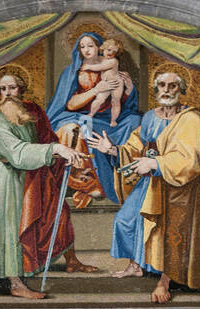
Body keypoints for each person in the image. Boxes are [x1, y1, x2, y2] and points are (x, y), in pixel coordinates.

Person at [0, 67, 98, 299]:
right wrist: (55, 150)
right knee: (11, 229)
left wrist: (63, 154)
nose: (7, 93)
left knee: (58, 212)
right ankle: (15, 283)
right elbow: (16, 152)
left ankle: (72, 261)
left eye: (12, 87)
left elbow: (47, 139)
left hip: (36, 173)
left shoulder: (32, 111)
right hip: (7, 178)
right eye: (3, 89)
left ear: (21, 89)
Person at [87, 70, 200, 304]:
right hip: (151, 182)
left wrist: (156, 163)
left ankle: (164, 280)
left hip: (180, 187)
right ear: (156, 89)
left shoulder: (192, 118)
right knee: (125, 220)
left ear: (181, 90)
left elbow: (191, 159)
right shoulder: (151, 117)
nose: (167, 90)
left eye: (173, 86)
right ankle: (136, 265)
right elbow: (134, 146)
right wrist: (112, 149)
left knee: (169, 231)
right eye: (162, 85)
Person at [46, 31, 141, 208]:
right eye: (82, 47)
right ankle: (88, 182)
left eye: (90, 46)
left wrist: (128, 87)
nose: (87, 50)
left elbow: (124, 102)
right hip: (82, 117)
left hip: (109, 118)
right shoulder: (73, 72)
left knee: (135, 121)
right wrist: (96, 90)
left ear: (100, 47)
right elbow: (71, 104)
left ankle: (127, 177)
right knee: (76, 128)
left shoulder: (111, 66)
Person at [82, 39, 133, 127]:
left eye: (114, 52)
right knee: (99, 99)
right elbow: (98, 62)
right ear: (104, 48)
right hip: (106, 83)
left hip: (117, 84)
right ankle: (91, 113)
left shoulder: (113, 61)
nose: (111, 53)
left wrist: (89, 67)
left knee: (115, 102)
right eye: (109, 50)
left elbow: (101, 67)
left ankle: (113, 121)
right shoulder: (102, 59)